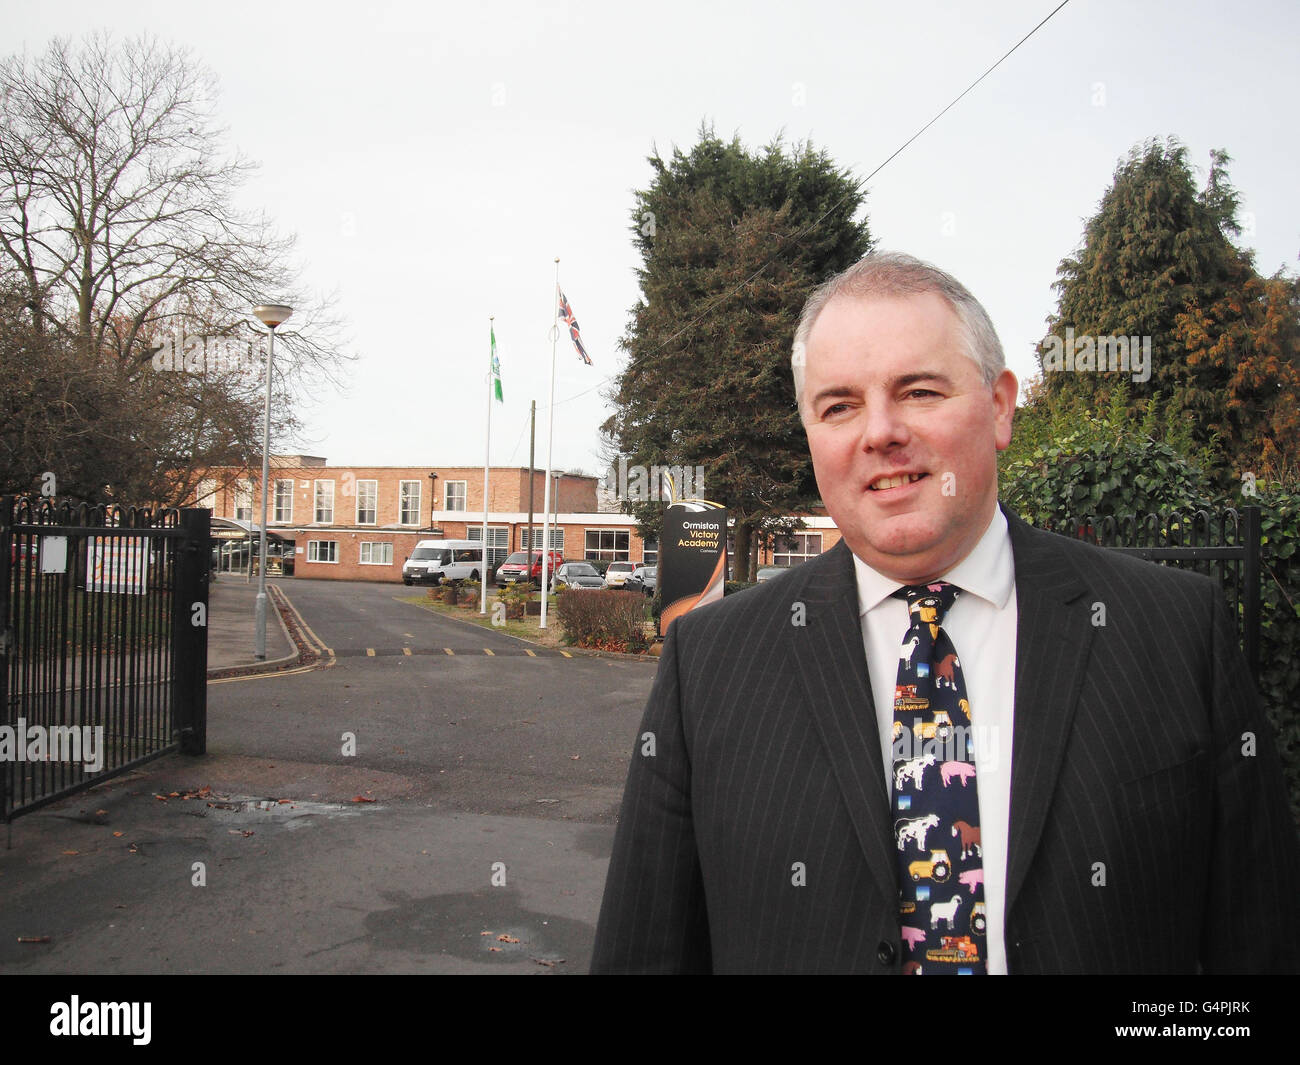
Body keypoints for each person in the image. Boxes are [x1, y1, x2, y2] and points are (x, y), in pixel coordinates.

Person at [589, 251, 1300, 974]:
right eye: (839, 405)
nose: (880, 432)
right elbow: (643, 951)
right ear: (811, 434)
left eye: (920, 391)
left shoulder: (1176, 632)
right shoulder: (709, 664)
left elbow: (1259, 946)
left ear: (999, 406)